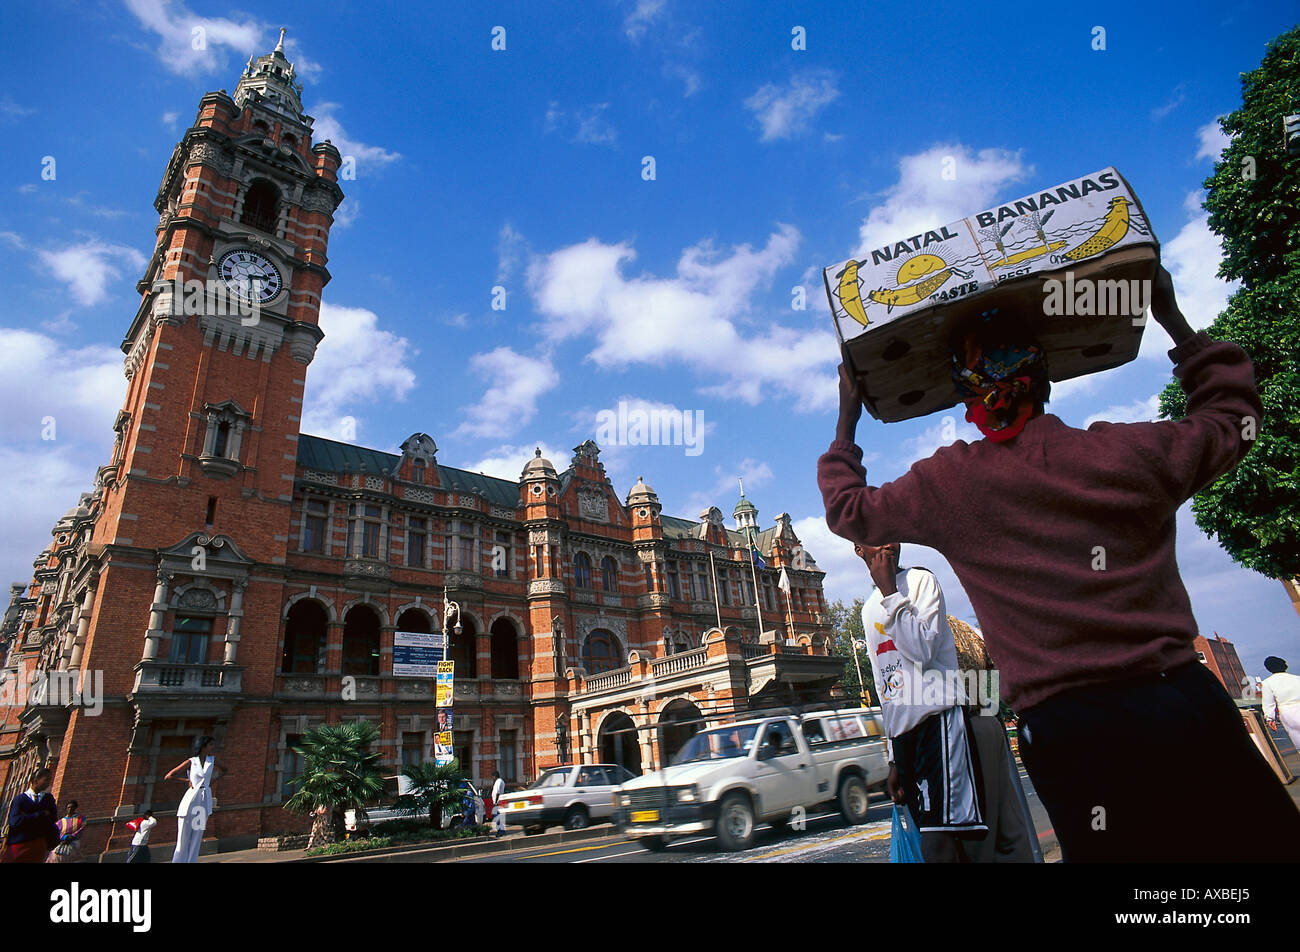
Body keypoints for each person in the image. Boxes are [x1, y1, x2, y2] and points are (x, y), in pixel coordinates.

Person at [818, 265, 1300, 861]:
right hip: (1184, 707)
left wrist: (848, 414)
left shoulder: (951, 484)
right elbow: (1231, 420)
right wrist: (1172, 319)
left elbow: (848, 510)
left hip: (1073, 736)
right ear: (1045, 378)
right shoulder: (1128, 453)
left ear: (970, 399)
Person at [856, 542, 986, 862]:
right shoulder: (868, 608)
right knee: (936, 837)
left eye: (893, 533)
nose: (888, 543)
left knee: (942, 840)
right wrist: (893, 757)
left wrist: (890, 592)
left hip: (938, 722)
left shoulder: (920, 581)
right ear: (859, 548)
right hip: (904, 737)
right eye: (877, 536)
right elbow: (884, 684)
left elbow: (922, 650)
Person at [165, 735, 223, 863]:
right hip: (190, 800)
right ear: (203, 746)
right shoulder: (192, 761)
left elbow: (225, 770)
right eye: (210, 745)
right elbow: (169, 775)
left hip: (203, 801)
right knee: (183, 839)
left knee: (197, 838)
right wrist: (187, 780)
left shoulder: (211, 760)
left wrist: (212, 781)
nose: (212, 747)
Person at [1, 766, 58, 863]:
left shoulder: (48, 799)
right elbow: (15, 821)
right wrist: (40, 814)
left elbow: (52, 819)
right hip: (18, 845)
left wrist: (26, 817)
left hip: (38, 844)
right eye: (46, 780)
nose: (48, 783)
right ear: (36, 781)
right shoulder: (20, 799)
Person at [1262, 656, 1300, 750]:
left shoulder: (1267, 683)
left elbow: (1268, 703)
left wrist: (1270, 718)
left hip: (1288, 713)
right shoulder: (1297, 678)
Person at [47, 799, 86, 863]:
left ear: (75, 808)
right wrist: (64, 837)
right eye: (68, 807)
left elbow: (81, 829)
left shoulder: (81, 819)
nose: (70, 809)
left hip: (74, 842)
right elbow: (56, 832)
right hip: (61, 842)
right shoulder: (60, 822)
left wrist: (70, 837)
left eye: (72, 807)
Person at [490, 770, 506, 836]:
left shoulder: (498, 781)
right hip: (498, 801)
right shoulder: (500, 781)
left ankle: (501, 831)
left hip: (497, 802)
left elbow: (497, 792)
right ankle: (501, 830)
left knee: (497, 817)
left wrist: (495, 802)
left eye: (492, 777)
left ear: (495, 776)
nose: (492, 778)